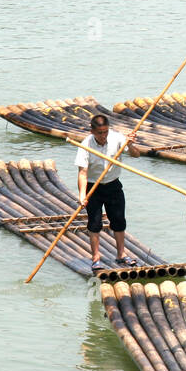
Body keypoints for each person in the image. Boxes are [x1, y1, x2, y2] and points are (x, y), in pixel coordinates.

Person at [75, 113, 142, 272]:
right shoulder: (85, 145)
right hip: (94, 187)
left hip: (113, 185)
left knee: (119, 220)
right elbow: (82, 173)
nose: (103, 136)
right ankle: (96, 258)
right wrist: (82, 195)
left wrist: (131, 144)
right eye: (100, 133)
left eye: (105, 132)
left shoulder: (117, 138)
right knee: (95, 223)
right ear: (92, 131)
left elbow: (136, 155)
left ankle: (121, 254)